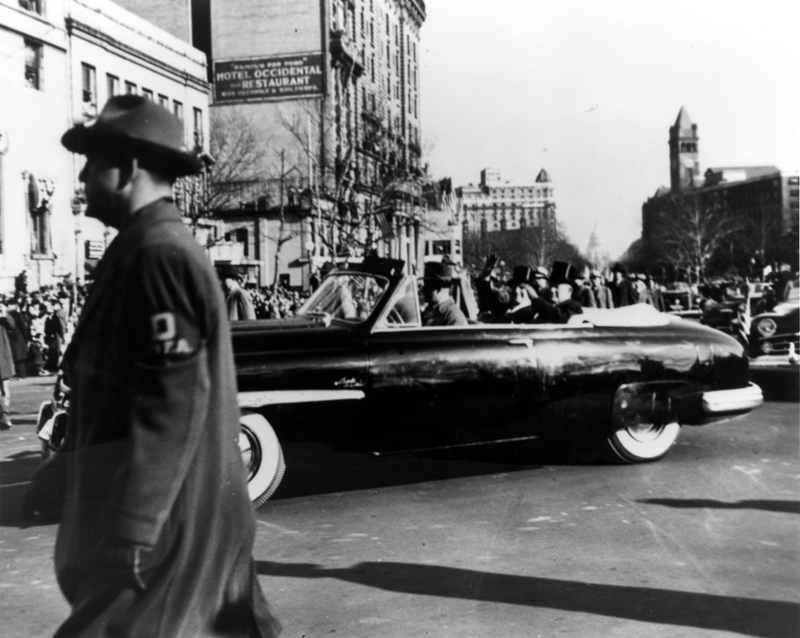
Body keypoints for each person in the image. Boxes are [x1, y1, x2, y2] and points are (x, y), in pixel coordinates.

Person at [38, 95, 280, 637]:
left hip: (163, 536)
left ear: (126, 169)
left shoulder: (157, 255)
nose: (83, 176)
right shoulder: (143, 247)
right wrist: (63, 474)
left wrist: (134, 526)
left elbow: (173, 400)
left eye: (93, 162)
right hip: (165, 528)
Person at [421, 261, 468, 326]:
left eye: (427, 286)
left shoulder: (454, 317)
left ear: (438, 288)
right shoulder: (430, 311)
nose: (423, 290)